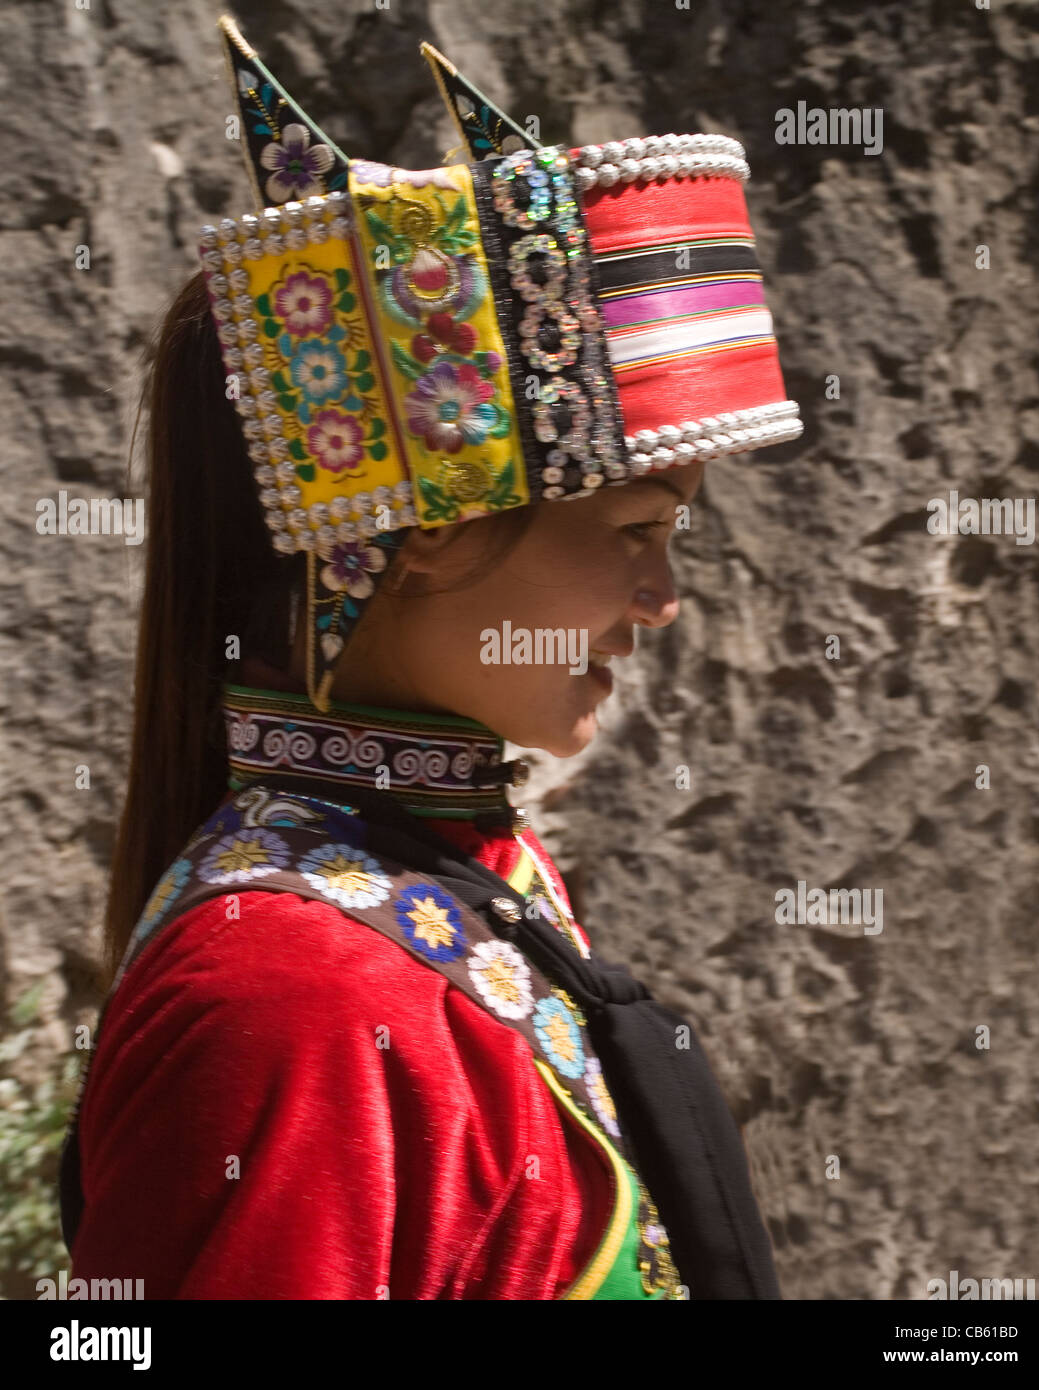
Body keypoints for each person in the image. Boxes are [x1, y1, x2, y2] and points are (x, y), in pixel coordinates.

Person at [58, 15, 802, 1300]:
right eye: (633, 529)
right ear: (422, 536)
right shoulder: (290, 993)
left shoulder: (461, 864)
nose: (662, 599)